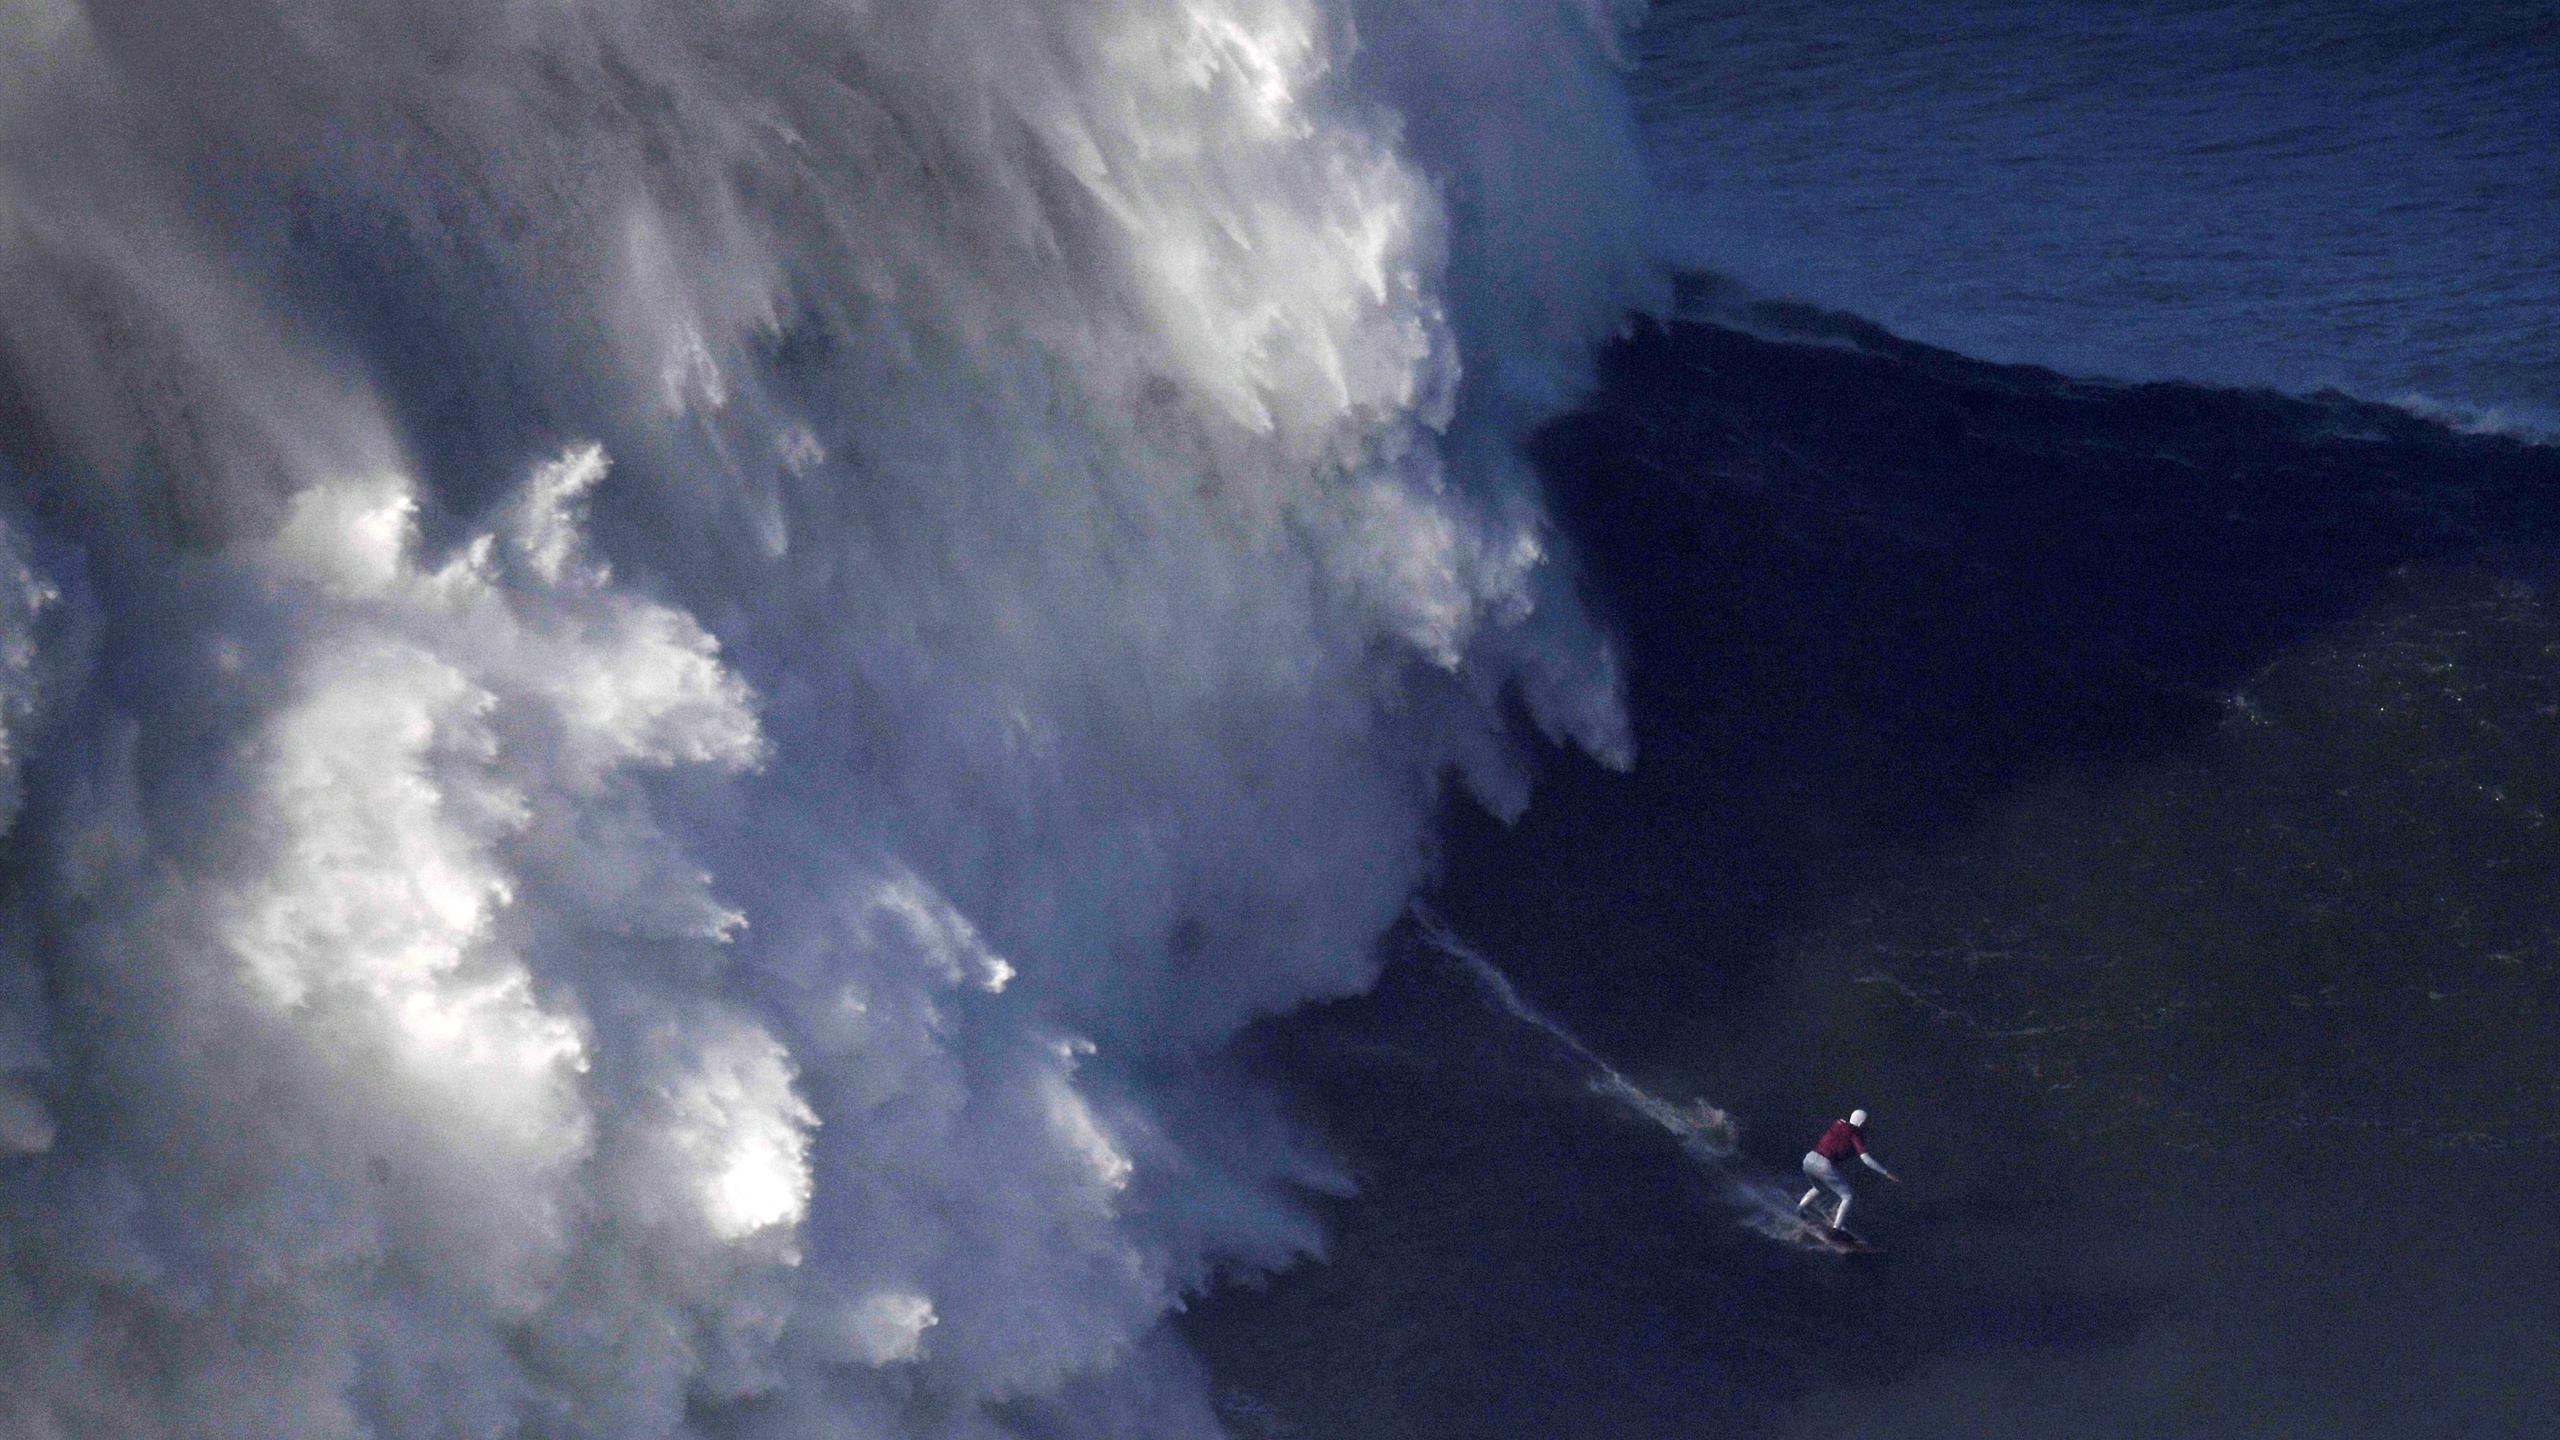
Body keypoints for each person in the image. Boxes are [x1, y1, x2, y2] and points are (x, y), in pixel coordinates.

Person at [1796, 1107, 1897, 1230]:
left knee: (1819, 1187)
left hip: (1809, 1159)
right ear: (1861, 1123)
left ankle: (1799, 1210)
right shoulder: (1855, 1135)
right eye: (1866, 1123)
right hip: (1823, 1164)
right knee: (1847, 1196)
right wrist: (1885, 1173)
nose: (1868, 1126)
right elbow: (1866, 1159)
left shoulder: (1838, 1123)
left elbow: (1839, 1140)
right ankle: (1836, 1229)